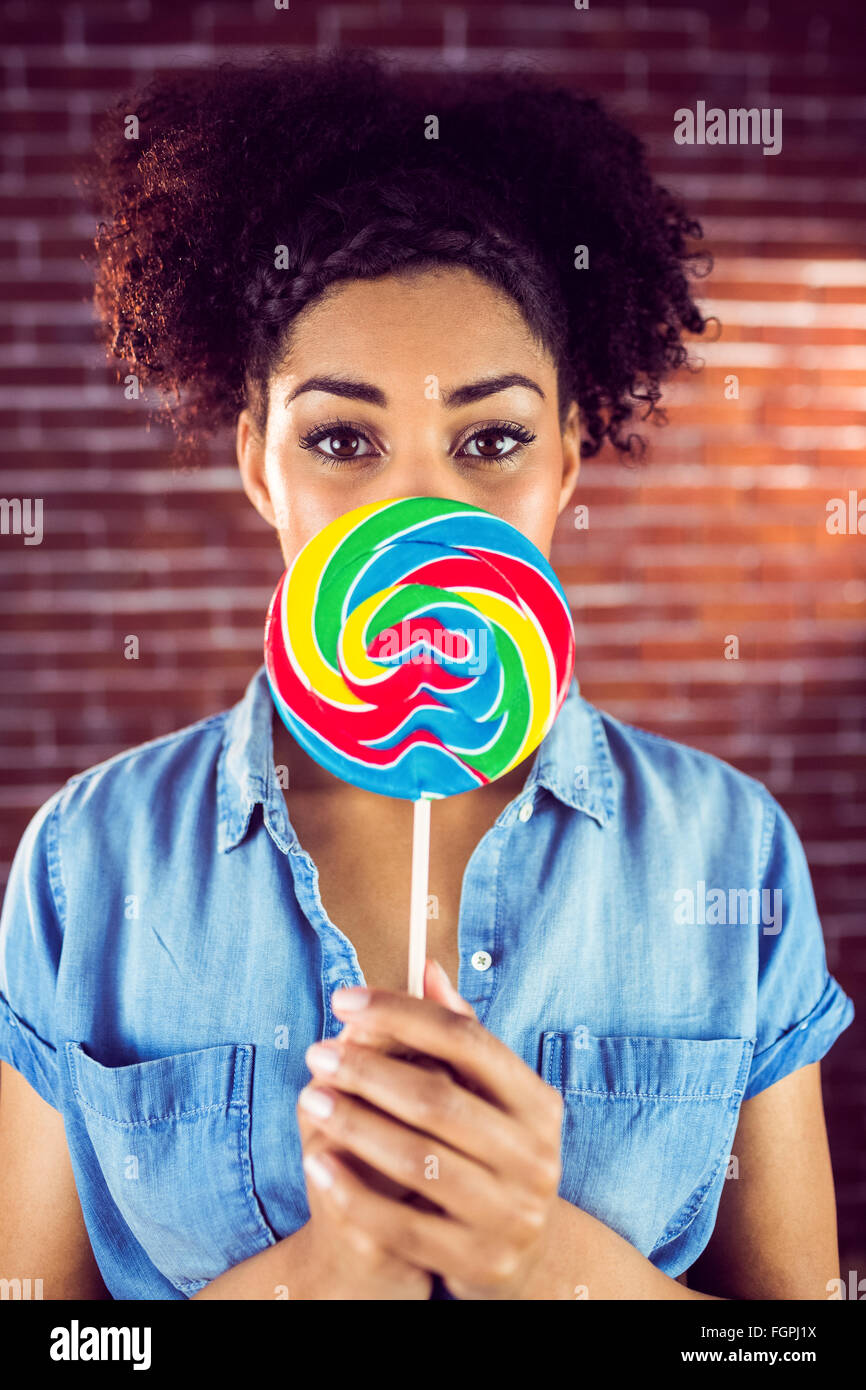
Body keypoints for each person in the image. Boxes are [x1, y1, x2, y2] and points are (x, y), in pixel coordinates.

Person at [0, 50, 854, 1301]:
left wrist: (550, 1263)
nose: (416, 508)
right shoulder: (90, 863)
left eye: (490, 440)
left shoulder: (729, 855)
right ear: (255, 463)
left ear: (566, 460)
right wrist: (324, 1275)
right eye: (341, 439)